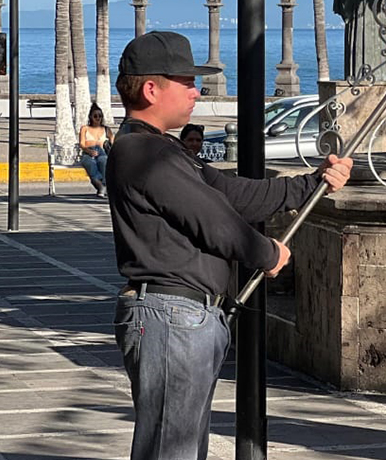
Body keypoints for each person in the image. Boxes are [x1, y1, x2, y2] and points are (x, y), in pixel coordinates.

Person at [107, 31, 354, 460]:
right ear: (151, 89)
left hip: (187, 318)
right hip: (171, 318)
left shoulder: (165, 150)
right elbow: (215, 222)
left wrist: (312, 184)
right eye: (187, 82)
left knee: (182, 447)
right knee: (171, 451)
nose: (196, 91)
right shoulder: (142, 153)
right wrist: (267, 253)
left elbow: (235, 194)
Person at [79, 102, 114, 197]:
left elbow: (112, 142)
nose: (98, 118)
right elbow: (82, 144)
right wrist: (89, 151)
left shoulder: (106, 129)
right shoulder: (85, 128)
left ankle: (103, 187)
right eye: (95, 116)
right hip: (88, 152)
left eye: (100, 116)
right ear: (91, 117)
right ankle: (101, 186)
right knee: (91, 164)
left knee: (104, 161)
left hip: (101, 152)